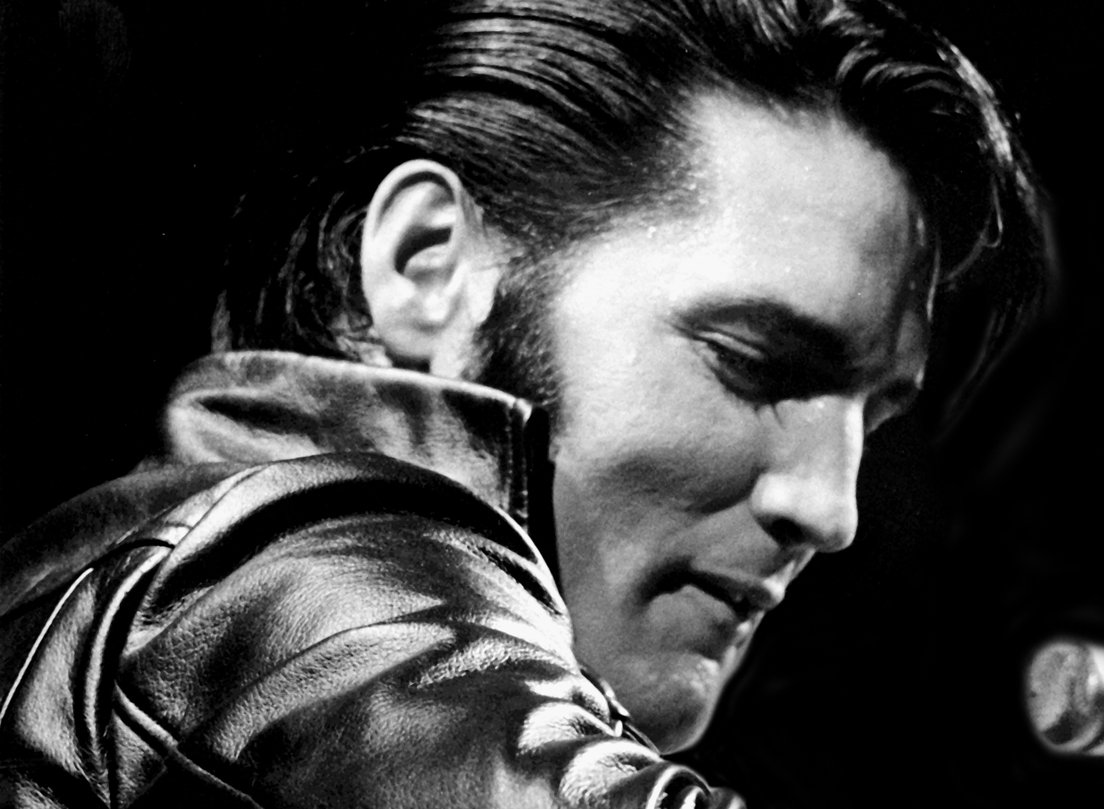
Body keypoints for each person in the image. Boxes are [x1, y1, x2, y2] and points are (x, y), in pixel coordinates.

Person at [0, 0, 1047, 805]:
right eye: (755, 362)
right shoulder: (301, 581)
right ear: (426, 267)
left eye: (874, 417)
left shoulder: (162, 579)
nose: (831, 507)